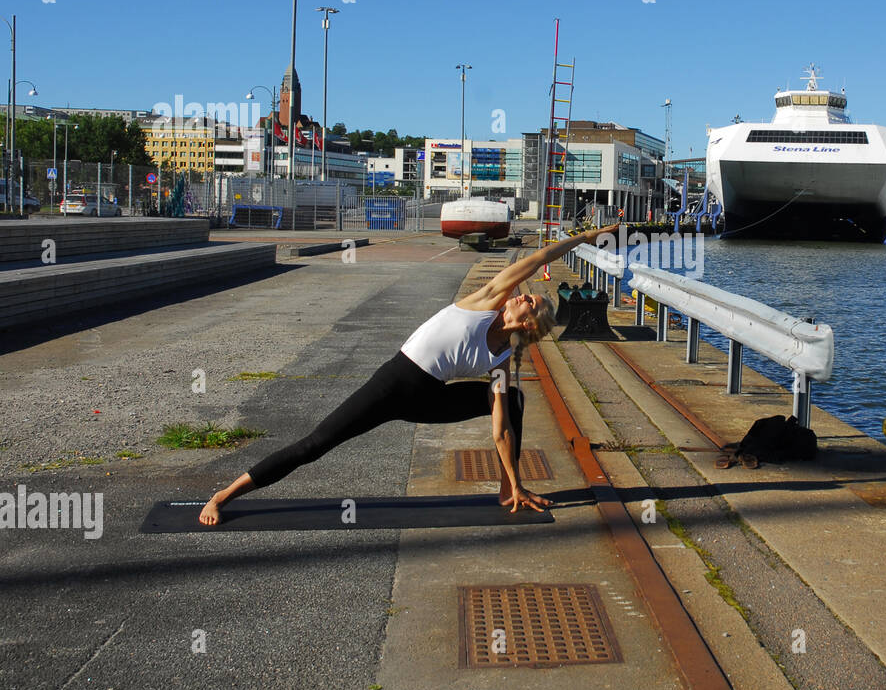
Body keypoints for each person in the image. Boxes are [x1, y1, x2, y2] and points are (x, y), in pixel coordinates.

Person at [199, 223, 619, 525]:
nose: (525, 295)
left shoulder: (500, 361)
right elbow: (537, 259)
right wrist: (585, 237)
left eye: (530, 301)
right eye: (528, 294)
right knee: (316, 444)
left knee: (513, 403)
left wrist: (516, 478)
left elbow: (500, 429)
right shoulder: (487, 299)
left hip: (430, 397)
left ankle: (508, 491)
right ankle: (224, 494)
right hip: (394, 383)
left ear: (528, 323)